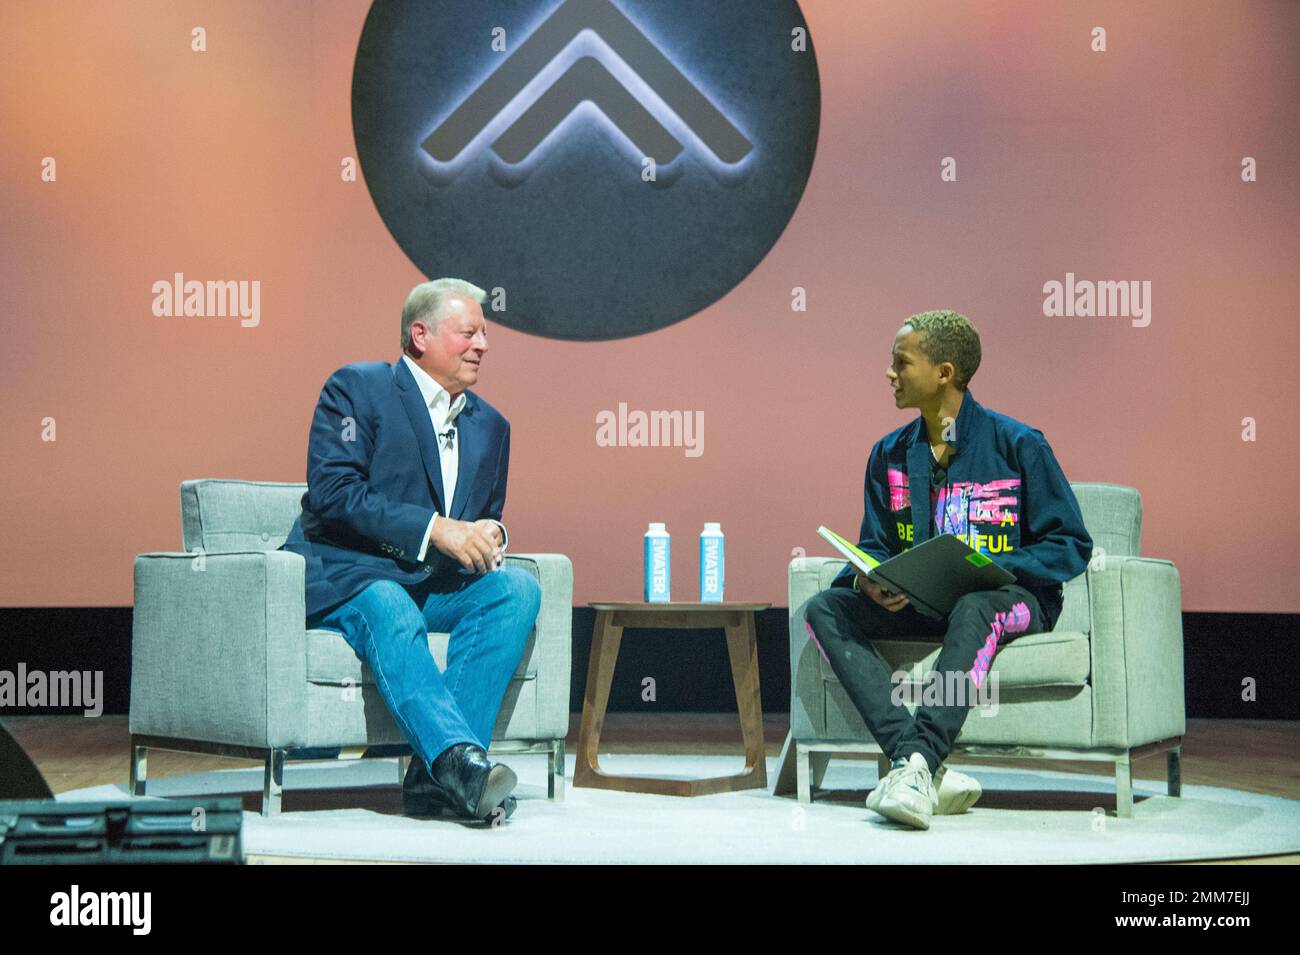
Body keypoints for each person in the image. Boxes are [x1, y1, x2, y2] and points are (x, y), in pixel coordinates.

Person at [801, 310, 1092, 830]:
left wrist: (993, 568)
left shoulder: (1020, 444)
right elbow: (876, 544)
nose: (889, 374)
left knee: (974, 603)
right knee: (824, 607)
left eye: (901, 362)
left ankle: (919, 760)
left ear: (944, 372)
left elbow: (1069, 544)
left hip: (1012, 600)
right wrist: (868, 579)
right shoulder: (888, 454)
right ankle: (916, 765)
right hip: (921, 601)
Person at [279, 278, 541, 823]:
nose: (483, 346)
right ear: (419, 334)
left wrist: (490, 531)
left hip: (430, 584)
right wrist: (436, 528)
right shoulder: (357, 388)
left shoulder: (492, 426)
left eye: (486, 335)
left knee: (516, 589)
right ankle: (457, 761)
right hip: (348, 575)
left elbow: (484, 511)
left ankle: (434, 777)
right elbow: (334, 492)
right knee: (387, 601)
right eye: (469, 332)